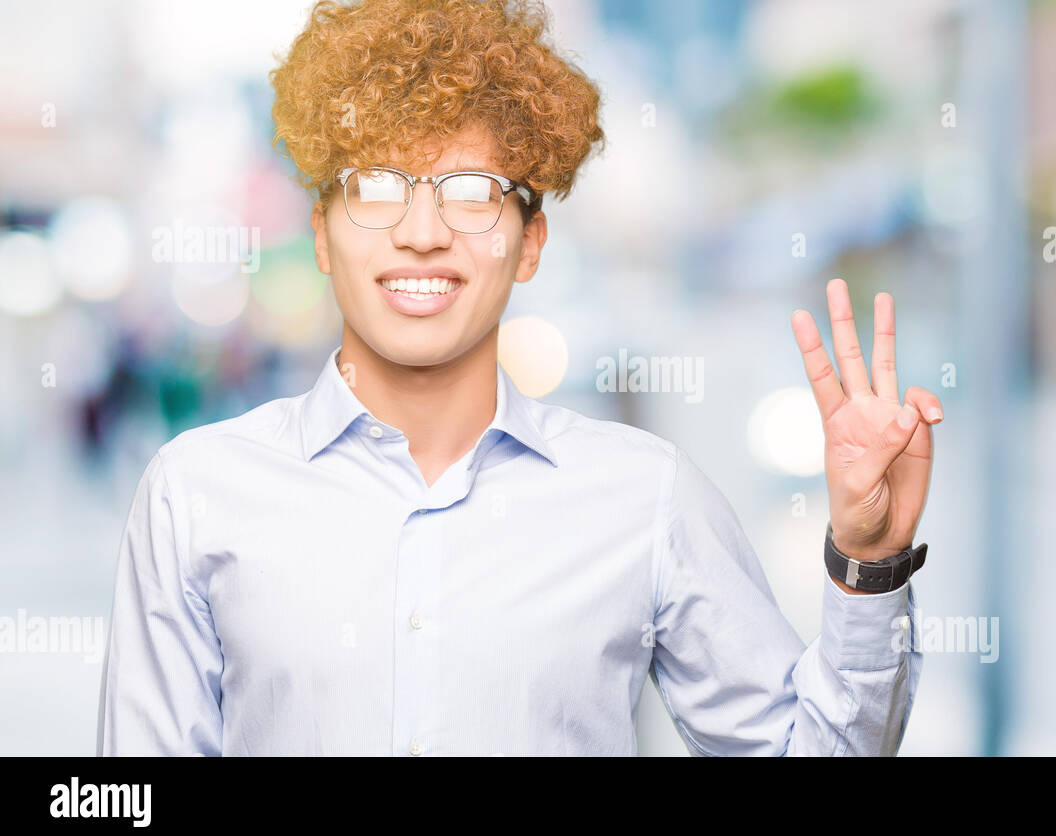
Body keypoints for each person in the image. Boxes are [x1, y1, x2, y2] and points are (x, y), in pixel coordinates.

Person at [97, 0, 945, 756]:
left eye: (471, 191)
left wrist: (869, 563)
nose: (421, 231)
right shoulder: (195, 494)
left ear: (531, 241)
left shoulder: (645, 498)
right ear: (322, 234)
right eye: (378, 187)